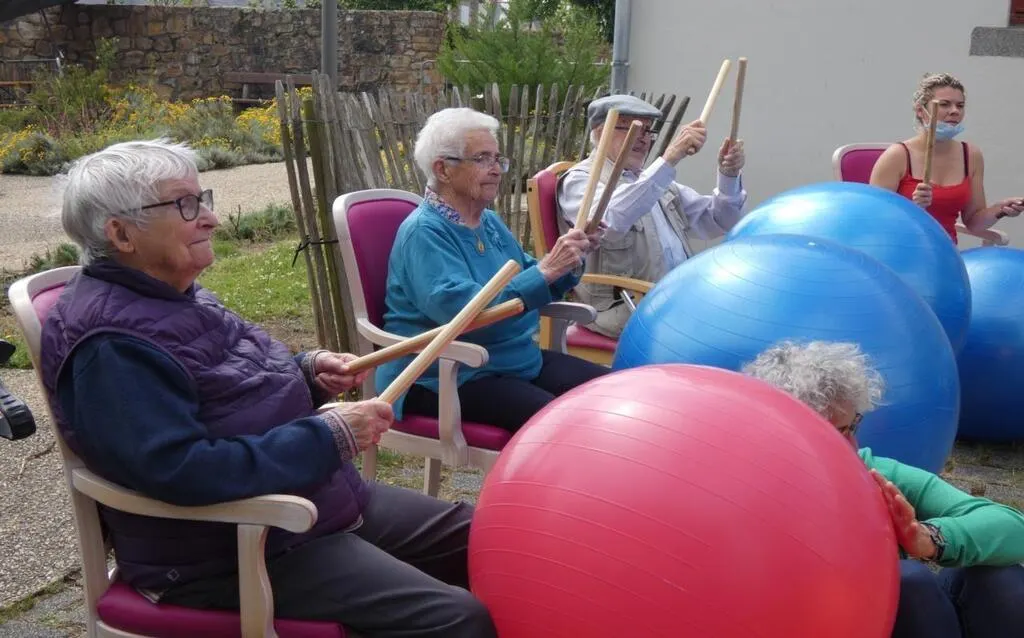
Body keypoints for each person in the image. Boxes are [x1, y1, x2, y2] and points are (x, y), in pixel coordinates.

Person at [39, 139, 497, 638]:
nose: (211, 219)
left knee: (496, 542)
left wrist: (308, 373)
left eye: (203, 198)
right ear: (121, 234)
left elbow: (224, 390)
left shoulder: (173, 295)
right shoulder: (111, 345)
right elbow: (178, 470)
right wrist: (329, 438)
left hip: (310, 500)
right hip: (228, 547)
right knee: (456, 620)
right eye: (185, 205)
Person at [743, 340, 1024, 638]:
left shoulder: (874, 473)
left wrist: (928, 539)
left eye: (853, 426)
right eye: (833, 433)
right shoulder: (748, 492)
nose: (852, 445)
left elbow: (1012, 528)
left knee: (999, 576)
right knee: (910, 584)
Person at [376, 107, 609, 432]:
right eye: (483, 159)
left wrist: (570, 261)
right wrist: (544, 273)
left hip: (513, 362)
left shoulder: (487, 221)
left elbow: (534, 277)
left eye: (498, 159)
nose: (497, 170)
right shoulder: (423, 233)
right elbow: (464, 316)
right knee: (562, 426)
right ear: (443, 169)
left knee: (610, 393)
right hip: (444, 374)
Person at [556, 94, 748, 338]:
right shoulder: (580, 180)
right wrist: (670, 159)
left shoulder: (652, 181)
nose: (643, 139)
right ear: (601, 131)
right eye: (633, 129)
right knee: (723, 334)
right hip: (627, 308)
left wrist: (728, 175)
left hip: (674, 299)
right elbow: (610, 223)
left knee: (745, 311)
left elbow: (720, 222)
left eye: (647, 131)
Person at [869, 72, 1023, 243]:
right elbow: (875, 221)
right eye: (944, 104)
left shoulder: (971, 155)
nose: (955, 111)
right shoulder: (897, 156)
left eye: (960, 105)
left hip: (945, 254)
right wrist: (912, 208)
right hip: (901, 251)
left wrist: (999, 209)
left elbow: (973, 222)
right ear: (921, 111)